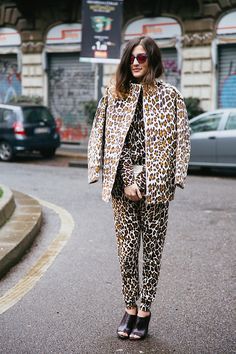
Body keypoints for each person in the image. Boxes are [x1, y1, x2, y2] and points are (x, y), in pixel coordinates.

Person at [88, 36, 191, 340]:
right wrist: (123, 178)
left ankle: (145, 309)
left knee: (152, 252)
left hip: (156, 188)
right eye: (131, 57)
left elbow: (181, 141)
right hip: (122, 186)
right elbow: (102, 136)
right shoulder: (113, 95)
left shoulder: (171, 96)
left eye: (142, 57)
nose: (135, 62)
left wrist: (149, 179)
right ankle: (129, 307)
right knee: (127, 251)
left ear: (153, 61)